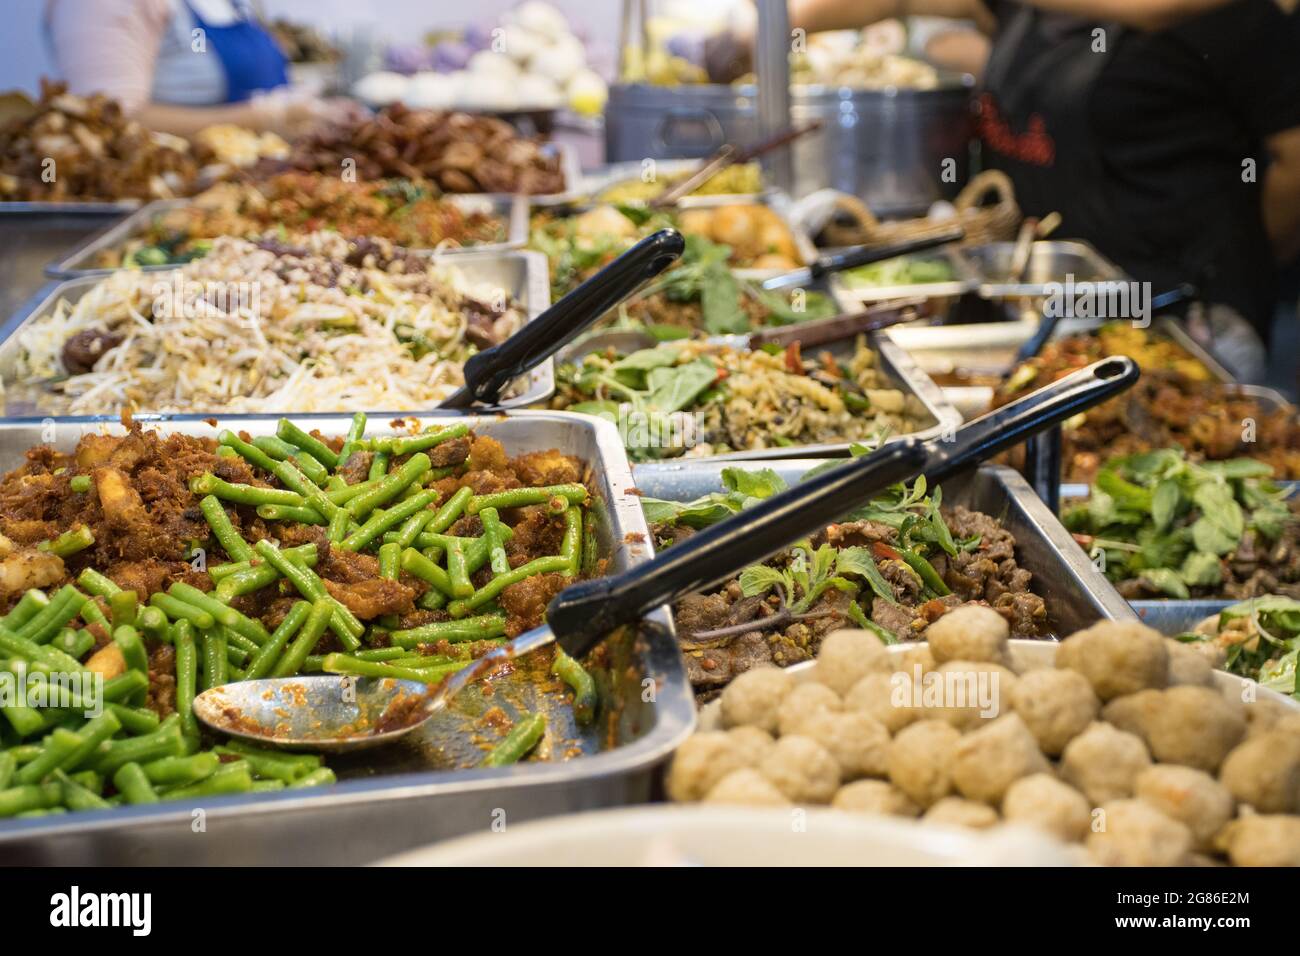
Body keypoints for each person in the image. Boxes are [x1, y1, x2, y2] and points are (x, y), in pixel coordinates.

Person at [717, 0, 1300, 380]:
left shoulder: (1235, 19)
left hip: (1183, 324)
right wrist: (780, 23)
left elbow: (1293, 168)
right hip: (1051, 316)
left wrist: (1242, 251)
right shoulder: (1030, 14)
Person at [45, 0, 357, 139]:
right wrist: (265, 117)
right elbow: (107, 119)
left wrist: (314, 111)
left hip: (251, 189)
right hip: (156, 209)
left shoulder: (235, 5)